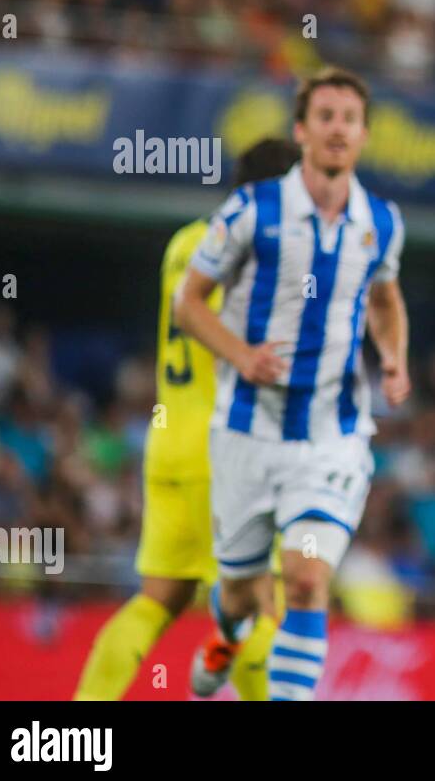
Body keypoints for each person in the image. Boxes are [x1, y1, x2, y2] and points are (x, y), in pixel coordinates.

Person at [175, 67, 412, 701]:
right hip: (247, 434)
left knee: (307, 579)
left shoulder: (381, 222)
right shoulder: (252, 210)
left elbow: (386, 299)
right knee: (243, 594)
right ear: (302, 131)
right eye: (326, 117)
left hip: (330, 439)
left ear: (363, 134)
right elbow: (188, 302)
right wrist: (242, 354)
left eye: (349, 119)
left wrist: (393, 358)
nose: (338, 129)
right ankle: (228, 630)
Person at [74, 138, 300, 701]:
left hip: (169, 445)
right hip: (227, 452)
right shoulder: (258, 252)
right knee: (263, 604)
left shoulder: (184, 243)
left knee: (157, 599)